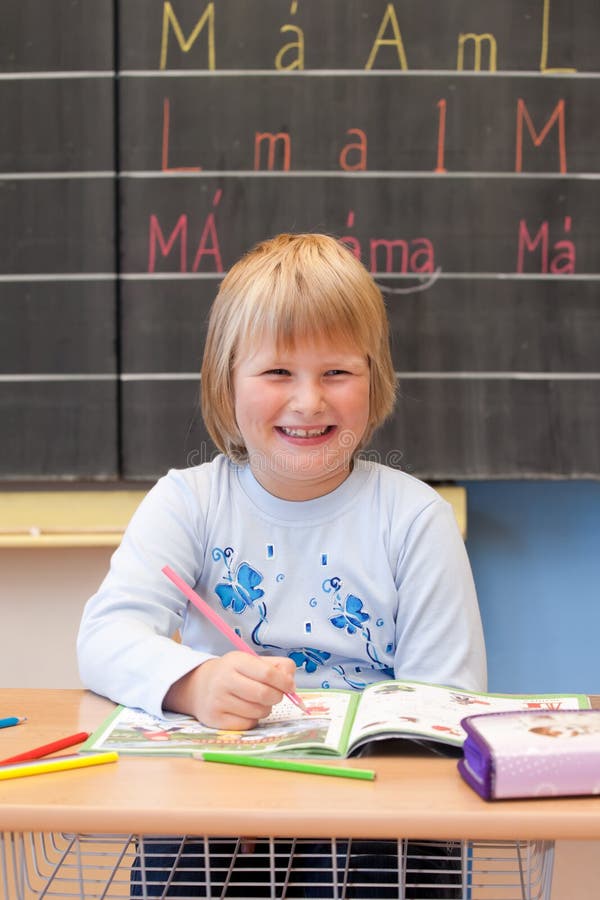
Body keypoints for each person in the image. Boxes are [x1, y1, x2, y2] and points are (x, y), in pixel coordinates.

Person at [77, 232, 487, 898]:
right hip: (226, 801)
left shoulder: (415, 519)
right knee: (179, 845)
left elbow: (441, 705)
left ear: (374, 379)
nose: (308, 402)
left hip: (376, 810)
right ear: (226, 380)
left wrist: (350, 803)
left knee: (407, 858)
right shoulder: (189, 501)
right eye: (277, 374)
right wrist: (196, 684)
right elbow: (104, 639)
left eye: (337, 373)